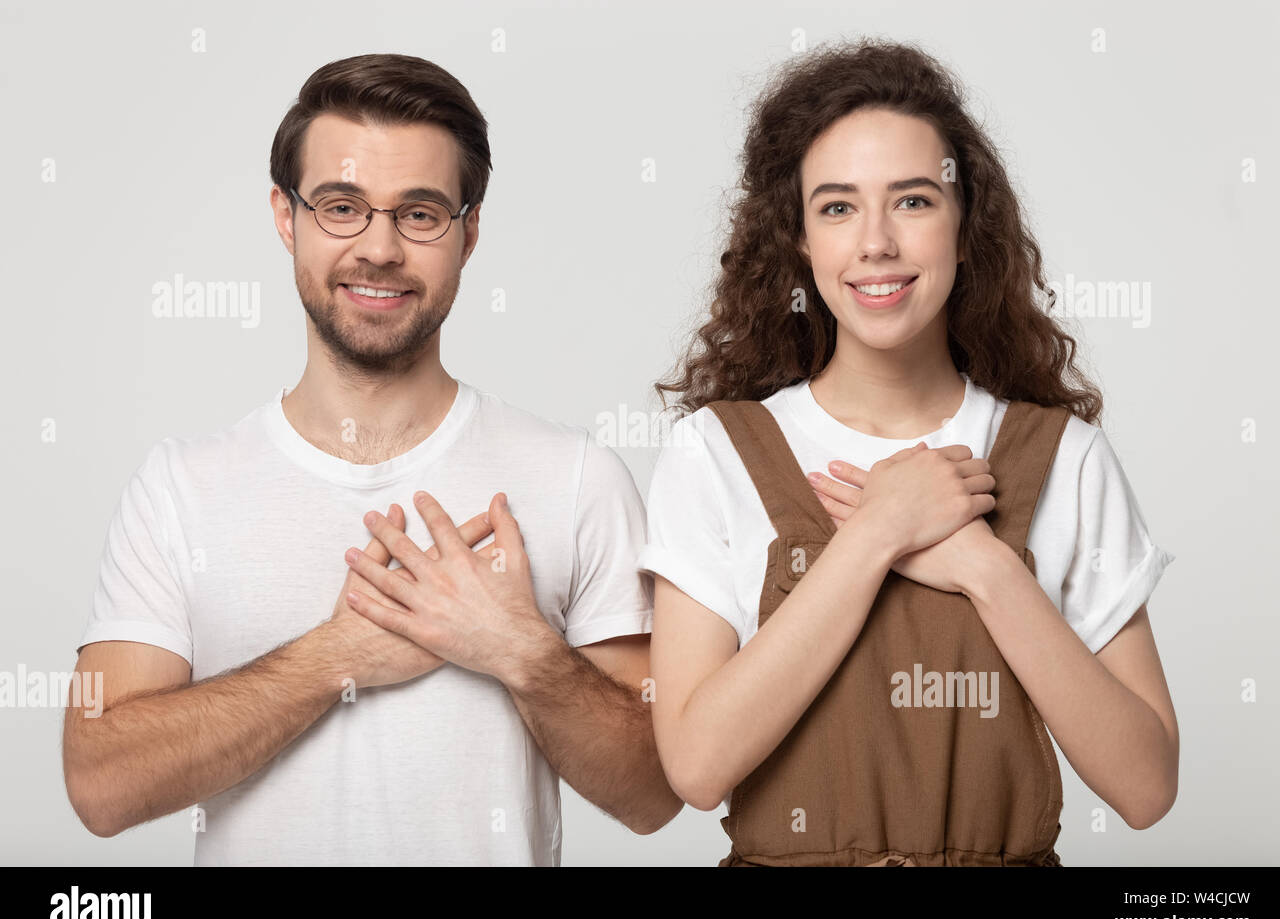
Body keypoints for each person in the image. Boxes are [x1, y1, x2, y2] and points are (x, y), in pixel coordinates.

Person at [64, 53, 681, 865]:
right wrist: (335, 658)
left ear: (470, 231)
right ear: (287, 218)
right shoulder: (180, 486)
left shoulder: (575, 478)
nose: (380, 249)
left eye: (420, 214)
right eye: (342, 207)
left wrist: (521, 652)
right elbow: (100, 784)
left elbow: (655, 793)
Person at [640, 38, 1179, 866]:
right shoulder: (713, 454)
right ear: (800, 245)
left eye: (915, 201)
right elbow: (697, 766)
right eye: (838, 207)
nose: (877, 243)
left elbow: (1146, 788)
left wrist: (987, 567)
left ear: (967, 231)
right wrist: (874, 536)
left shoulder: (1064, 459)